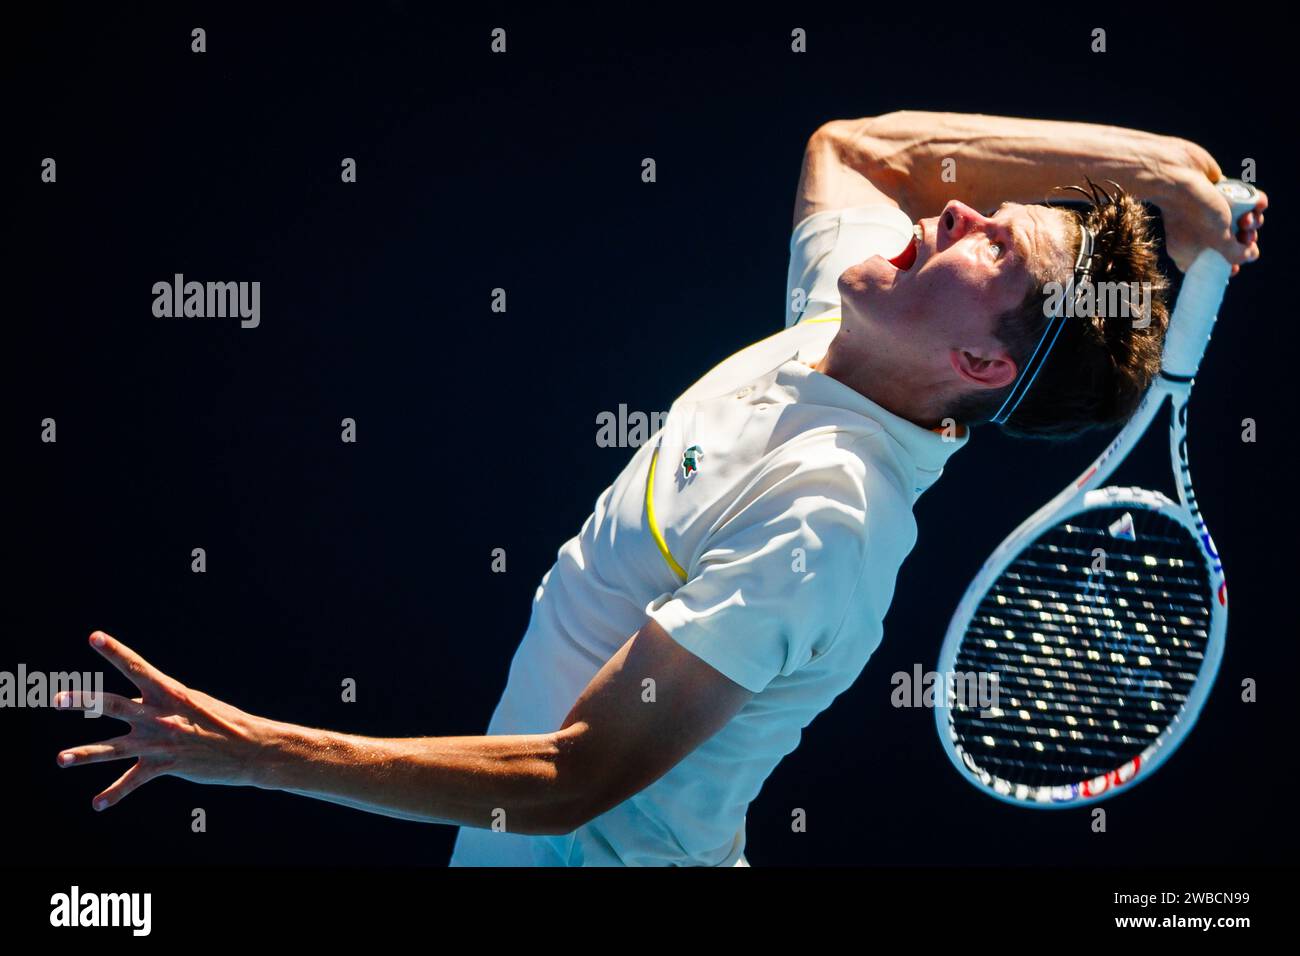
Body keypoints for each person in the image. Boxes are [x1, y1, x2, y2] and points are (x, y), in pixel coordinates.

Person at [53, 111, 1266, 867]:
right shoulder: (834, 331)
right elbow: (863, 148)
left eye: (988, 244)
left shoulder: (824, 517)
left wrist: (257, 751)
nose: (948, 204)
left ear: (979, 364)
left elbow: (567, 775)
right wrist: (1147, 164)